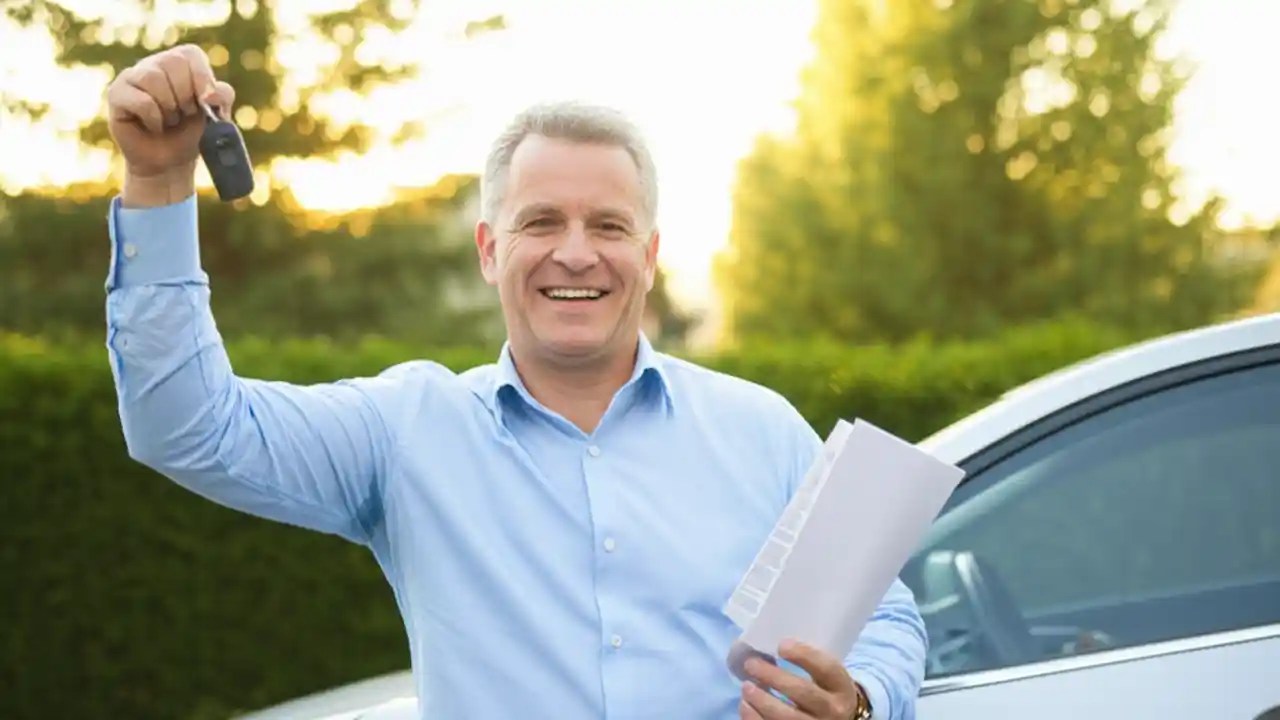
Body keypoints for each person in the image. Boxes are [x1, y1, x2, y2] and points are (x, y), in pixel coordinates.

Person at [103, 44, 927, 719]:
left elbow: (884, 614)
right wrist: (158, 186)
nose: (576, 253)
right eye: (541, 222)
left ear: (649, 255)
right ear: (491, 250)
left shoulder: (761, 429)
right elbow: (186, 426)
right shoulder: (405, 432)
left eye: (608, 226)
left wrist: (858, 702)